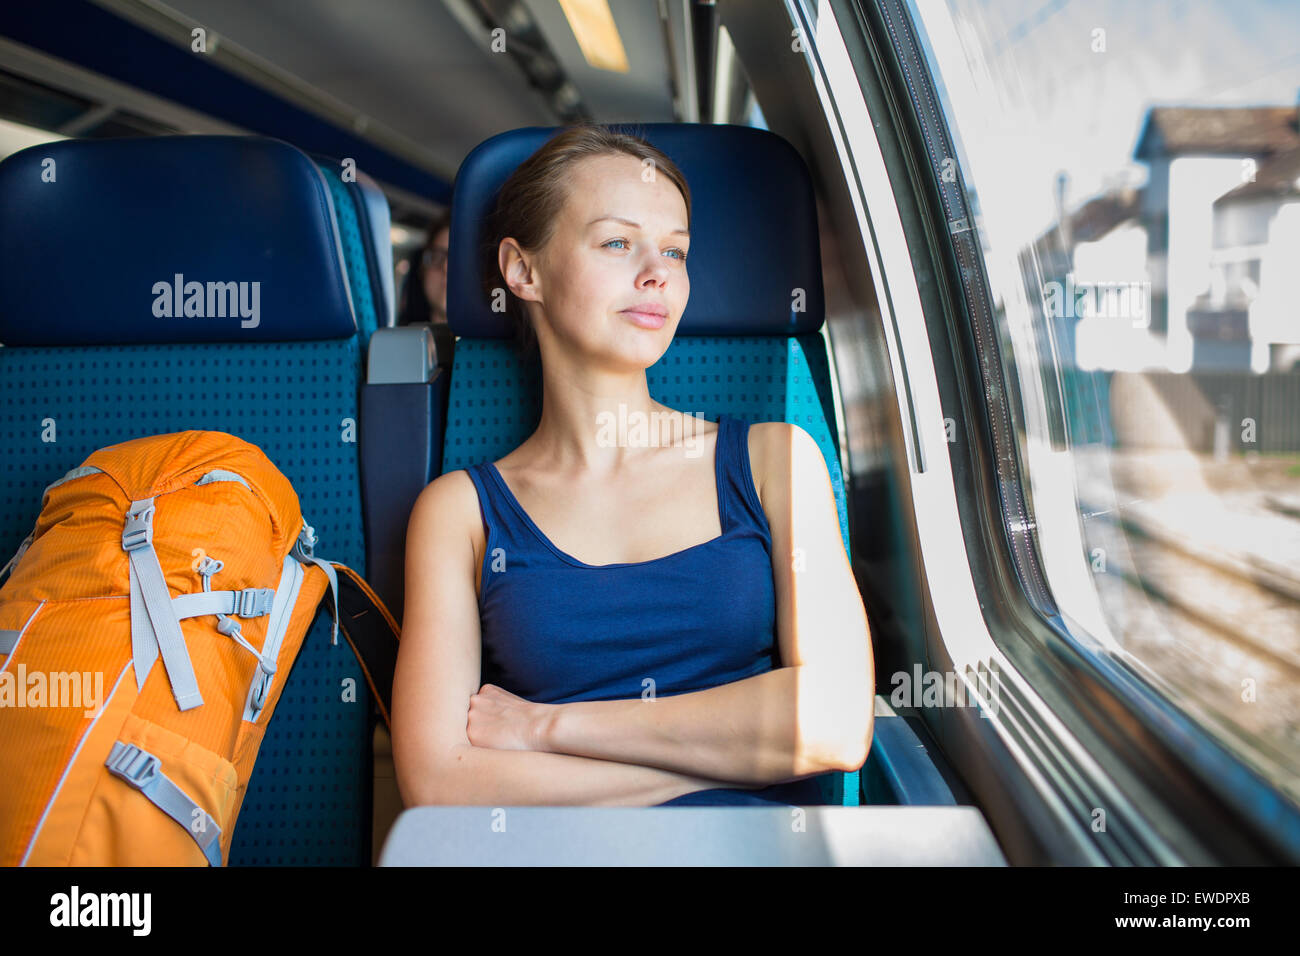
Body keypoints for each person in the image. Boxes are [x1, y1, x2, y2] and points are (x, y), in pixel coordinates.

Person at [391, 124, 875, 808]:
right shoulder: (459, 511)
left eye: (675, 251)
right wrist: (735, 760)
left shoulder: (777, 462)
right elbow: (439, 785)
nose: (658, 273)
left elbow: (831, 722)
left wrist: (545, 726)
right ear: (522, 270)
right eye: (618, 242)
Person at [397, 209, 455, 368]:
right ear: (422, 269)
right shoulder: (398, 347)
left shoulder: (490, 355)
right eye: (437, 256)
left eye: (457, 257)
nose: (445, 267)